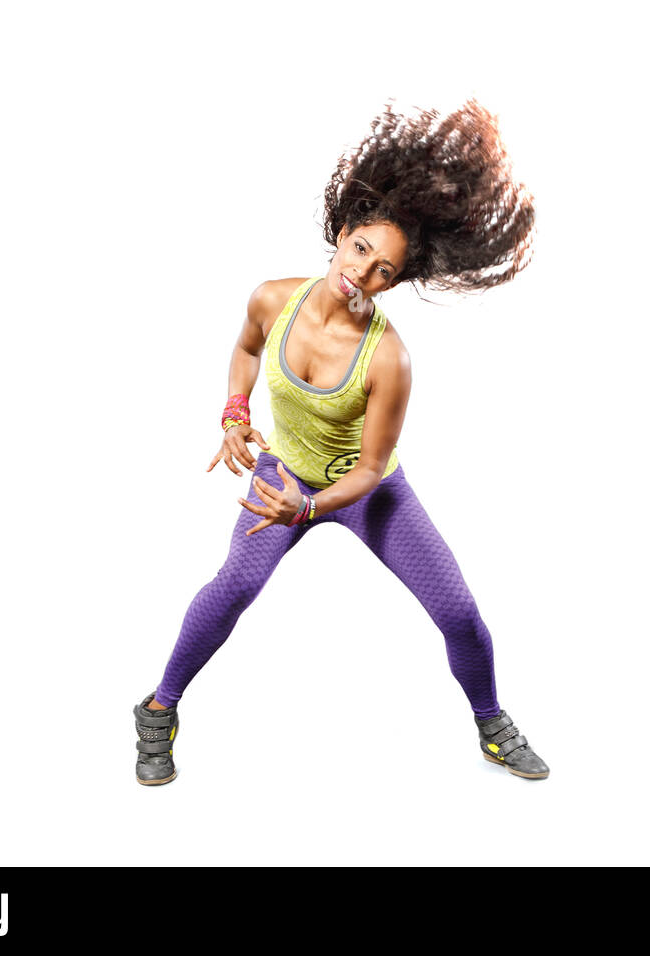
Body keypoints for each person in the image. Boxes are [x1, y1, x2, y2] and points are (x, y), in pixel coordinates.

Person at [132, 98, 549, 785]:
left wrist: (309, 509)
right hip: (284, 471)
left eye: (385, 269)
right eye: (361, 248)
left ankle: (491, 723)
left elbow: (370, 467)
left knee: (459, 611)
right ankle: (157, 709)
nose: (363, 272)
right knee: (234, 585)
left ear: (399, 279)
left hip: (365, 492)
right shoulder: (273, 298)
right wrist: (235, 414)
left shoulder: (390, 360)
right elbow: (243, 349)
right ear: (343, 229)